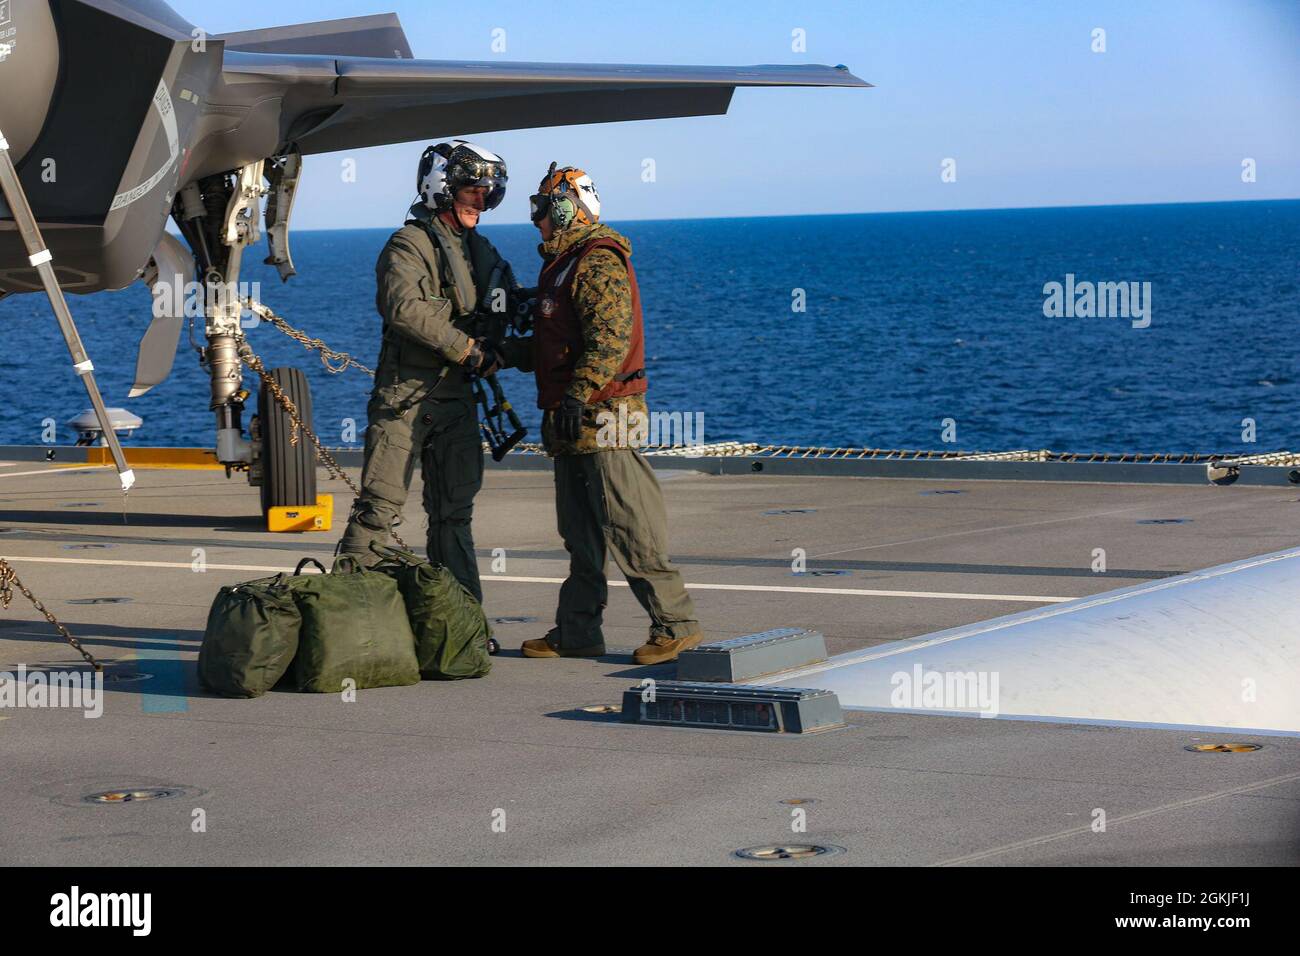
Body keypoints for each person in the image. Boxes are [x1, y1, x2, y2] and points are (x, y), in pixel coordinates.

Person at [515, 164, 704, 664]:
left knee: (631, 525)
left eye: (540, 209)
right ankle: (578, 631)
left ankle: (676, 624)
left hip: (606, 416)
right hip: (574, 419)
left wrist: (576, 394)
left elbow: (610, 341)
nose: (535, 220)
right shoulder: (564, 264)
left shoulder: (596, 261)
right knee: (581, 535)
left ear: (564, 209)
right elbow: (561, 340)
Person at [336, 140, 514, 603]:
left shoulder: (480, 249)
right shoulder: (408, 244)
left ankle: (461, 621)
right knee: (378, 509)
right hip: (406, 400)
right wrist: (471, 351)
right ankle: (347, 620)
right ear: (442, 188)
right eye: (474, 192)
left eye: (489, 195)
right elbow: (405, 309)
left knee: (453, 515)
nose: (482, 203)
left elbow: (506, 301)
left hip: (457, 402)